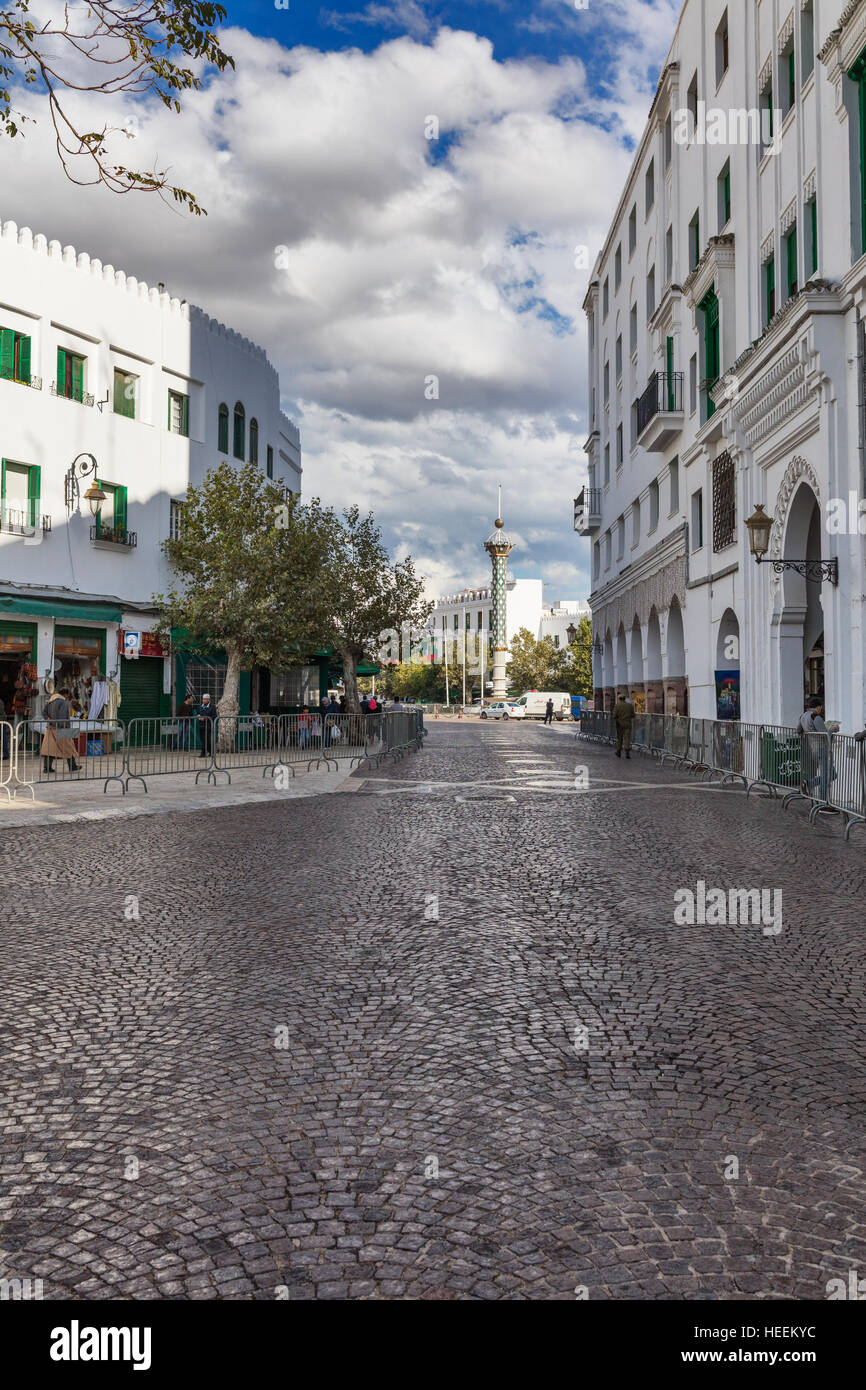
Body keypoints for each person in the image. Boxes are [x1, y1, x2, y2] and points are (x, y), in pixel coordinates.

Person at [798, 695, 834, 802]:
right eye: (821, 707)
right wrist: (833, 729)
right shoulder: (815, 717)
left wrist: (809, 732)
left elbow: (798, 730)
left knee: (832, 774)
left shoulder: (803, 716)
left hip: (812, 748)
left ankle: (809, 783)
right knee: (826, 776)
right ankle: (824, 802)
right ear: (818, 707)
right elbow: (825, 734)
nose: (821, 709)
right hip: (822, 748)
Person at [41, 686, 80, 773]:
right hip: (61, 728)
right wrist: (65, 727)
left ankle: (47, 768)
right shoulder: (63, 702)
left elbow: (43, 712)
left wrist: (49, 720)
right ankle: (72, 766)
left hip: (50, 728)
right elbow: (63, 717)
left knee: (49, 749)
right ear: (65, 694)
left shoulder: (50, 701)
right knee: (69, 747)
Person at [613, 691, 636, 759]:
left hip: (620, 724)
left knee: (619, 738)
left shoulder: (617, 705)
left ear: (619, 699)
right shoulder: (629, 705)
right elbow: (633, 715)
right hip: (628, 723)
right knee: (627, 738)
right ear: (624, 698)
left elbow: (614, 716)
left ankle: (619, 751)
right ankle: (627, 752)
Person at [198, 692, 217, 758]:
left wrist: (205, 718)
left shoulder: (212, 707)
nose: (204, 700)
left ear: (209, 700)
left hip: (208, 726)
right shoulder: (201, 706)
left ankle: (203, 753)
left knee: (206, 739)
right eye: (203, 699)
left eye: (205, 699)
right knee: (203, 739)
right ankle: (211, 751)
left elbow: (214, 716)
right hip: (201, 725)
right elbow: (198, 713)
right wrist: (199, 716)